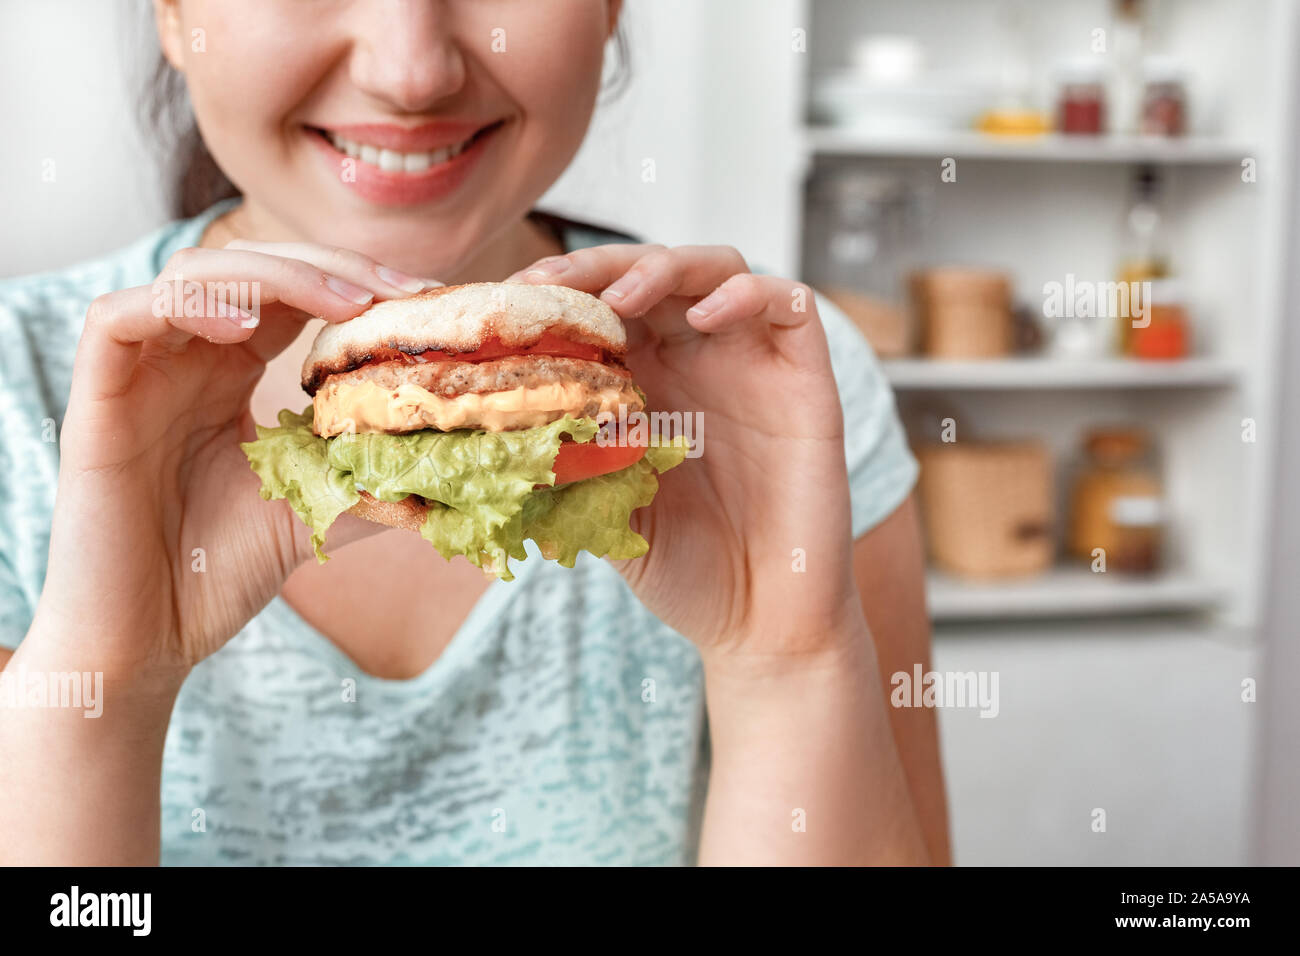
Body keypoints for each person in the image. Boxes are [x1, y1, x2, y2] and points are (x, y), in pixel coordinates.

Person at [0, 0, 948, 865]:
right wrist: (100, 685)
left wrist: (787, 663)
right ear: (172, 12)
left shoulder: (777, 385)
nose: (412, 73)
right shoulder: (20, 393)